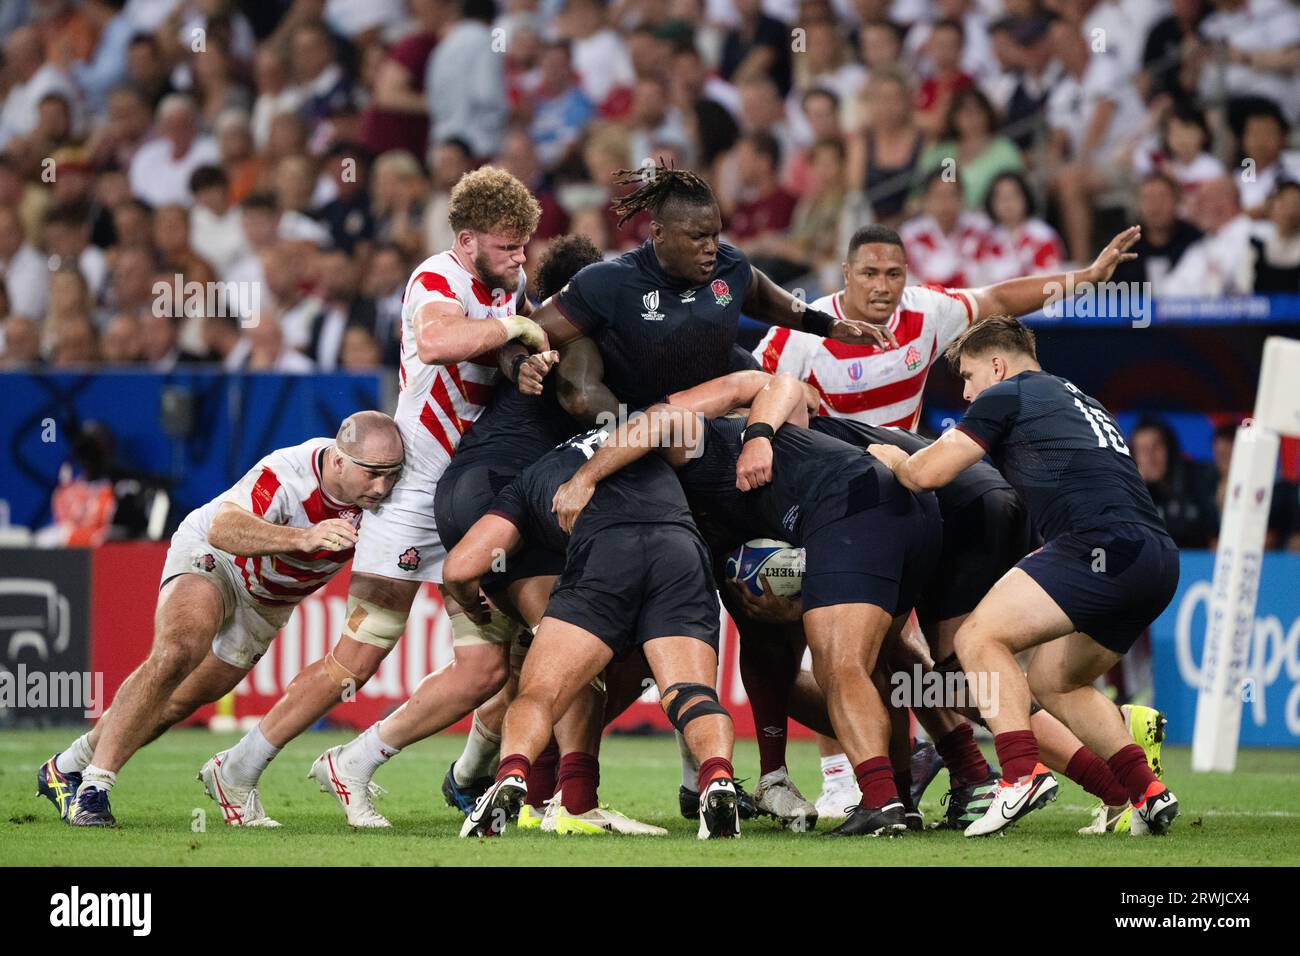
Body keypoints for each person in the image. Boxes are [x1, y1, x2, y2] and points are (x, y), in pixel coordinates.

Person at [199, 167, 548, 827]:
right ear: (469, 239)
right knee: (361, 653)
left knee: (483, 671)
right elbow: (440, 340)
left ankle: (353, 764)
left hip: (475, 496)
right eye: (507, 246)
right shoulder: (436, 277)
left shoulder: (511, 286)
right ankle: (237, 767)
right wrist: (519, 334)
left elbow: (490, 358)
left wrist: (520, 363)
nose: (520, 257)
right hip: (416, 487)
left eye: (524, 245)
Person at [867, 316, 1181, 838]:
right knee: (1056, 681)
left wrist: (896, 459)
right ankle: (1146, 792)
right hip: (1156, 559)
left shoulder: (1009, 392)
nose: (967, 393)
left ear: (996, 364)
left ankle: (1019, 775)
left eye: (968, 377)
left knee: (977, 636)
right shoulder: (1078, 397)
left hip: (1098, 544)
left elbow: (928, 474)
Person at [41, 413, 404, 827]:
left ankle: (67, 765)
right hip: (218, 560)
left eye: (391, 475)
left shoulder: (392, 494)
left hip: (267, 602)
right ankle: (94, 789)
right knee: (177, 653)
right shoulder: (288, 473)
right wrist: (303, 537)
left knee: (181, 700)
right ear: (339, 461)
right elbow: (223, 528)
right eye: (372, 474)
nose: (382, 487)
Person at [449, 423, 739, 840]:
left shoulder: (529, 478)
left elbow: (459, 567)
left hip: (605, 554)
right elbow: (675, 421)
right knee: (690, 692)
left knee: (541, 693)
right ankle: (717, 777)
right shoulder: (634, 435)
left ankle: (510, 773)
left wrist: (472, 605)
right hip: (680, 552)